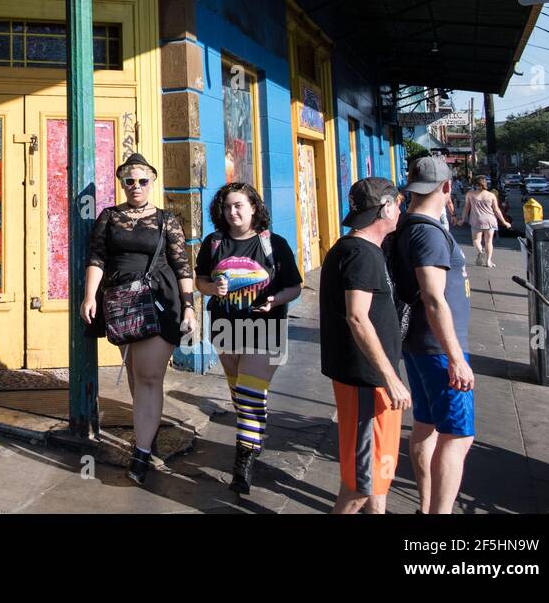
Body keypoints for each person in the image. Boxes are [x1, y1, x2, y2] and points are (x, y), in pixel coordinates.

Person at [80, 153, 195, 485]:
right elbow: (97, 257)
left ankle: (141, 453)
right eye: (129, 180)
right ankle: (149, 433)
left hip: (160, 301)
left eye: (143, 180)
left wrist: (189, 306)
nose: (136, 186)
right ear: (121, 183)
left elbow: (181, 265)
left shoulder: (166, 220)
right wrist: (90, 295)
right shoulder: (109, 216)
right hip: (121, 304)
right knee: (135, 375)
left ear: (152, 182)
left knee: (147, 376)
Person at [194, 181, 303, 495]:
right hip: (225, 328)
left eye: (239, 205)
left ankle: (242, 466)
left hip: (264, 329)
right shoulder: (213, 243)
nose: (232, 212)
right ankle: (252, 438)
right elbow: (201, 279)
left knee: (249, 391)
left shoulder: (274, 244)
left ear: (254, 207)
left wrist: (275, 300)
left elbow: (294, 286)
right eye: (227, 206)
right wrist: (211, 289)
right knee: (240, 395)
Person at [319, 177, 412, 513]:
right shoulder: (361, 254)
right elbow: (357, 317)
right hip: (367, 383)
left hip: (370, 382)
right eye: (398, 204)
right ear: (385, 207)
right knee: (360, 485)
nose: (401, 210)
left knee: (376, 479)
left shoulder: (357, 250)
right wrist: (390, 378)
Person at [389, 156, 475, 515]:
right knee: (458, 436)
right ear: (445, 187)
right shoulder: (427, 232)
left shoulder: (407, 226)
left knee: (426, 426)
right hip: (438, 348)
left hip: (420, 346)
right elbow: (434, 297)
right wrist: (455, 357)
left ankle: (425, 507)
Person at [457, 175, 508, 268]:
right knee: (489, 242)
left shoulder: (470, 194)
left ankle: (481, 252)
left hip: (476, 221)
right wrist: (504, 222)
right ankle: (488, 261)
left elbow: (466, 208)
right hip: (490, 220)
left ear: (475, 184)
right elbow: (496, 210)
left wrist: (462, 219)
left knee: (476, 240)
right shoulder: (491, 195)